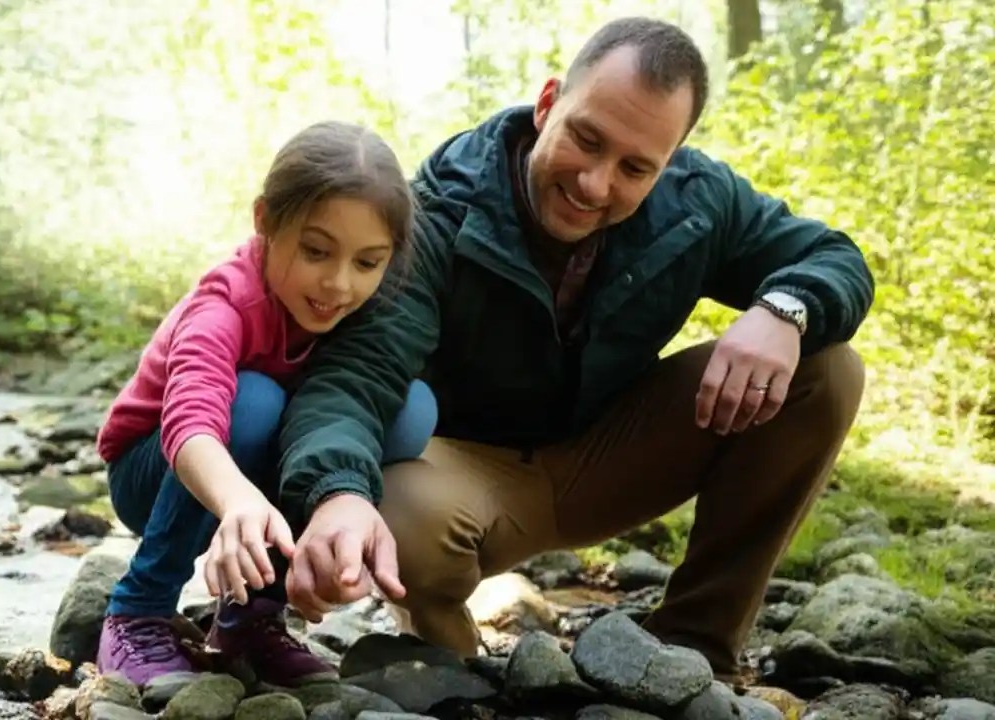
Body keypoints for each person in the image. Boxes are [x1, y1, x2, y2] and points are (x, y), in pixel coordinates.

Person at [273, 17, 873, 682]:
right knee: (393, 517)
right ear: (549, 101)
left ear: (668, 164)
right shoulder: (441, 211)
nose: (594, 183)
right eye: (586, 140)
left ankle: (693, 650)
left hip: (609, 453)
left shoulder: (698, 201)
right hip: (468, 474)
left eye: (635, 167)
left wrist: (782, 309)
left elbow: (833, 255)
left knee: (826, 370)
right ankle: (453, 661)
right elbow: (356, 375)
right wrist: (335, 493)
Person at [93, 120, 438, 688]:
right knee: (252, 401)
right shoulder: (226, 302)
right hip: (159, 470)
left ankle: (251, 617)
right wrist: (236, 500)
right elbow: (192, 417)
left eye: (367, 262)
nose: (338, 284)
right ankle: (138, 609)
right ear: (265, 222)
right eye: (315, 250)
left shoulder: (356, 313)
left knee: (410, 410)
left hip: (248, 475)